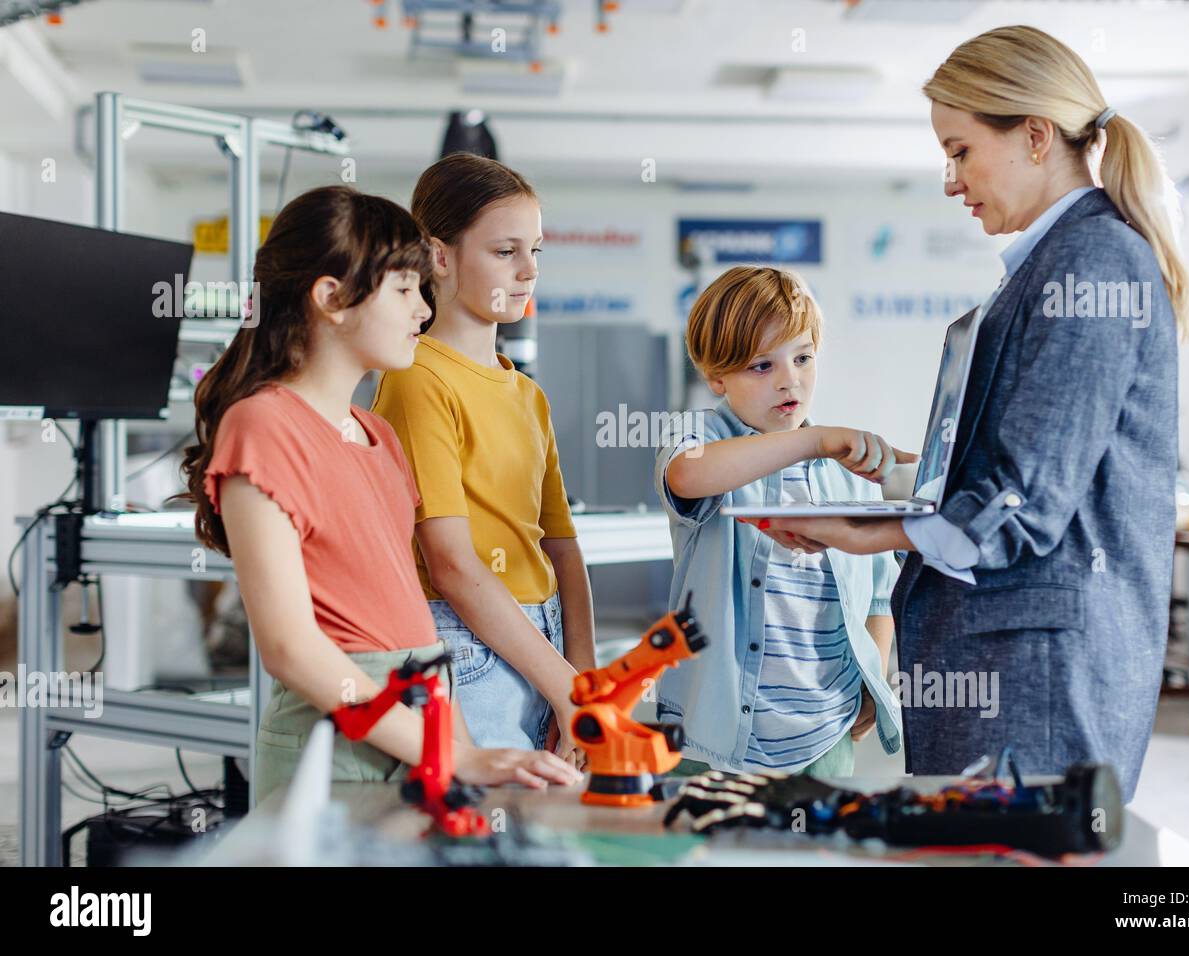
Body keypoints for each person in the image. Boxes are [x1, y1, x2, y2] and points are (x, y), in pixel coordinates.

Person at [758, 25, 1188, 802]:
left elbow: (1025, 496)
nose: (951, 181)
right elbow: (1020, 464)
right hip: (1008, 661)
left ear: (1033, 136)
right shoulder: (1048, 268)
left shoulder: (1094, 262)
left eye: (960, 151)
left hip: (1037, 675)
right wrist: (902, 482)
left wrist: (864, 533)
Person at [177, 185, 583, 800]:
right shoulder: (261, 427)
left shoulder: (377, 435)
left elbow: (401, 600)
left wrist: (459, 744)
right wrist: (454, 754)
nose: (423, 311)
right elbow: (291, 649)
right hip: (335, 736)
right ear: (332, 299)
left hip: (419, 708)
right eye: (404, 291)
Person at [371, 154, 594, 764]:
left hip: (542, 646)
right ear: (439, 258)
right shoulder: (418, 379)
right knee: (491, 834)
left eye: (537, 251)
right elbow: (450, 565)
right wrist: (563, 684)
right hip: (471, 651)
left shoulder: (526, 393)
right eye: (505, 252)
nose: (528, 271)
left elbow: (562, 547)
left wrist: (583, 681)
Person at [655, 265, 913, 777]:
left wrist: (872, 679)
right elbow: (686, 476)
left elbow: (880, 595)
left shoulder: (850, 474)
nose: (788, 380)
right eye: (761, 366)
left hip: (823, 736)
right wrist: (815, 440)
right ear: (716, 377)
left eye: (802, 358)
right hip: (710, 741)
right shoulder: (703, 444)